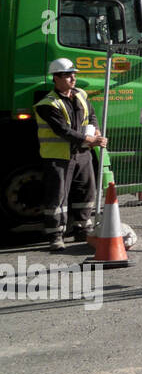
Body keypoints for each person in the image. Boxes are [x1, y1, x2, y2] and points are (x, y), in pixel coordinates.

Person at [35, 59, 108, 251]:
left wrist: (97, 132)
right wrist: (92, 140)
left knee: (86, 191)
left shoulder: (81, 94)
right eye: (68, 75)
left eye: (73, 74)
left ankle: (82, 229)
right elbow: (64, 131)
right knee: (58, 197)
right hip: (59, 157)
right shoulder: (47, 104)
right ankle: (55, 236)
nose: (73, 77)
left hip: (82, 154)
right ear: (56, 78)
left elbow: (91, 115)